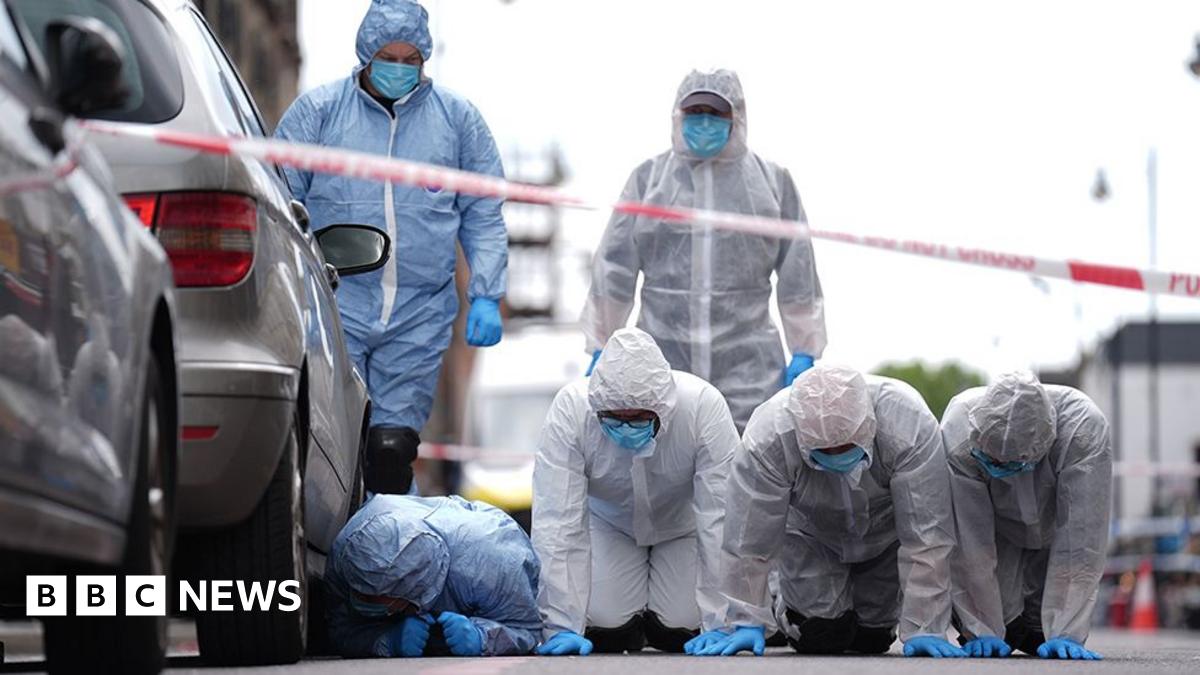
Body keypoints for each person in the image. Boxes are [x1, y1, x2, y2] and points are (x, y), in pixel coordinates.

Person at [275, 0, 508, 495]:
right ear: (365, 53)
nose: (399, 68)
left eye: (410, 60)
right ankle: (336, 553)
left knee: (390, 449)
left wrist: (486, 293)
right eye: (388, 56)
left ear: (425, 60)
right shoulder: (318, 115)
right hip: (336, 307)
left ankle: (379, 557)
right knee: (335, 446)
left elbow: (484, 211)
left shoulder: (457, 122)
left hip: (420, 312)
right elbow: (280, 198)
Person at [580, 69, 826, 432]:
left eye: (715, 114)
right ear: (678, 117)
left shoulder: (772, 183)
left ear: (737, 117)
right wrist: (602, 340)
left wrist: (804, 348)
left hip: (749, 369)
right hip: (661, 361)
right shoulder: (648, 181)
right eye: (695, 114)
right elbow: (615, 266)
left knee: (745, 469)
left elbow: (798, 271)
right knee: (666, 462)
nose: (704, 123)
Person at [694, 365, 964, 658]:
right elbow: (748, 534)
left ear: (868, 426)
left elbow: (927, 532)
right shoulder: (770, 436)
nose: (837, 457)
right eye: (824, 451)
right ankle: (790, 611)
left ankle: (877, 623)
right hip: (812, 535)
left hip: (884, 537)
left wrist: (925, 624)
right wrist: (746, 618)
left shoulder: (906, 422)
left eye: (846, 447)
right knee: (821, 634)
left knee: (870, 639)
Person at [532, 327, 739, 655]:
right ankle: (625, 626)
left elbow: (722, 515)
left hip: (682, 527)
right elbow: (558, 520)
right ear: (598, 406)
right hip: (608, 524)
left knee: (680, 625)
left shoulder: (703, 405)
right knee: (605, 622)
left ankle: (661, 624)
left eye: (641, 417)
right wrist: (560, 624)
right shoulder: (571, 410)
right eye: (615, 418)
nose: (627, 426)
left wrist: (723, 621)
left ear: (664, 407)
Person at [942, 372, 1111, 660]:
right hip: (997, 530)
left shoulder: (1082, 429)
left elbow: (1081, 536)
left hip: (1052, 526)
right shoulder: (960, 428)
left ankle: (1050, 631)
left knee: (1039, 634)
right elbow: (969, 539)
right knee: (1008, 630)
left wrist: (1066, 630)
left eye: (1012, 462)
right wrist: (979, 627)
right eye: (992, 460)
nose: (999, 467)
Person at [324, 494, 541, 657]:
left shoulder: (496, 564)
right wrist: (384, 641)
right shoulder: (349, 550)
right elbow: (339, 627)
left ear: (412, 598)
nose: (364, 602)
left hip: (484, 547)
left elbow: (529, 630)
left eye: (375, 600)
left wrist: (483, 637)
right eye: (361, 593)